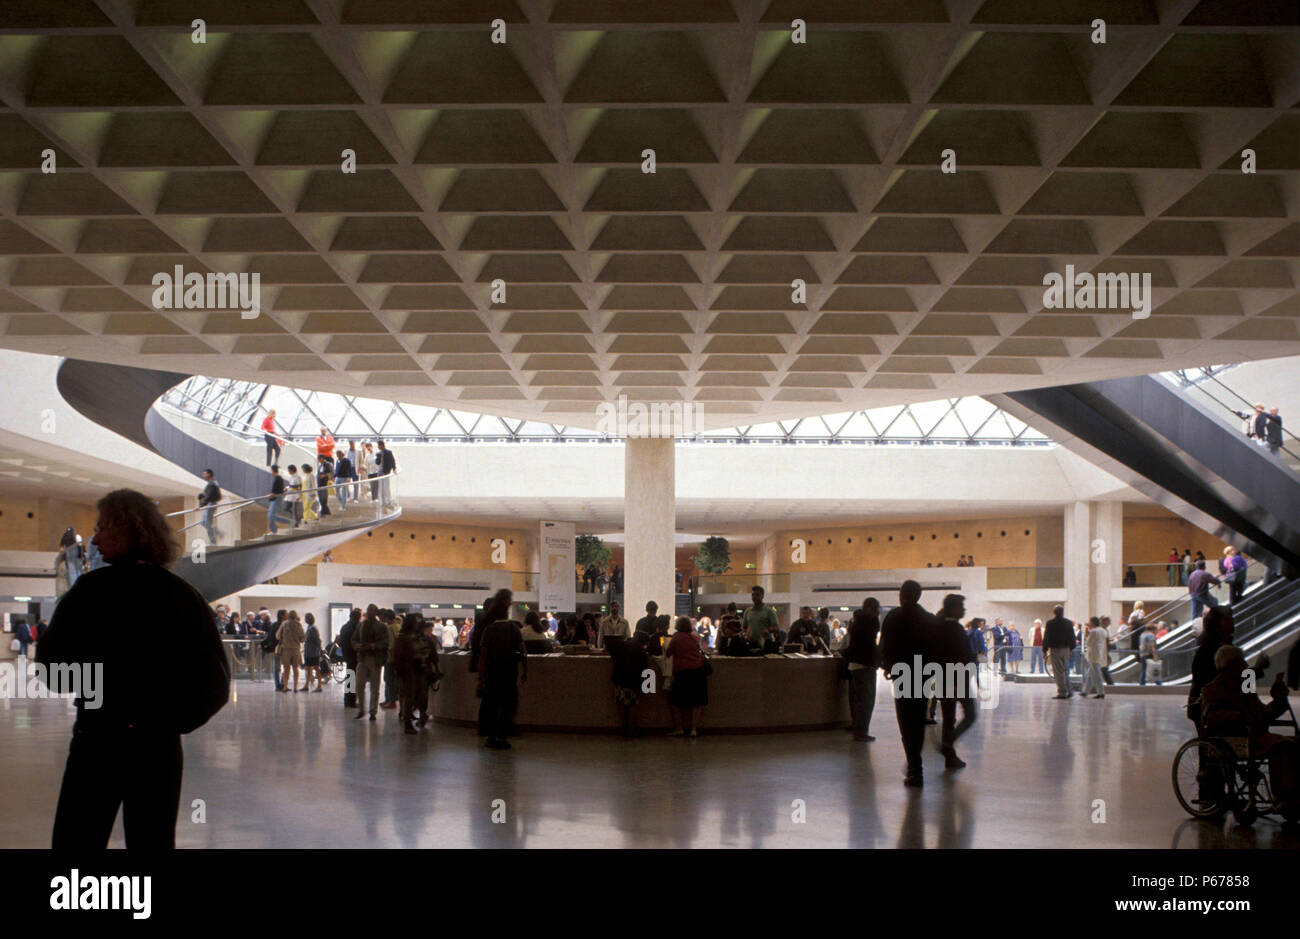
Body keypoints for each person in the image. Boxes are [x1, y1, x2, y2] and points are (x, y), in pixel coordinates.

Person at [35, 489, 229, 849]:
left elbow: (51, 669)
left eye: (102, 528)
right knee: (151, 840)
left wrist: (99, 687)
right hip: (157, 746)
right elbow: (214, 682)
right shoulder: (182, 596)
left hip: (97, 740)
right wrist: (171, 720)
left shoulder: (90, 591)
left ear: (129, 531)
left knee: (77, 838)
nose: (94, 538)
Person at [1200, 645, 1299, 810]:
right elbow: (1211, 715)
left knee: (1295, 744)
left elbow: (1261, 713)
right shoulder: (1214, 689)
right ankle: (1284, 796)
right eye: (1242, 662)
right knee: (1282, 747)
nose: (1246, 665)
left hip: (1254, 733)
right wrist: (1238, 717)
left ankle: (1293, 794)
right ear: (1230, 665)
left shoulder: (1245, 683)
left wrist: (1279, 701)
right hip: (1237, 737)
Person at [879, 581, 938, 787]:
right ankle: (916, 766)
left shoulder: (893, 617)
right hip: (922, 675)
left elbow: (884, 646)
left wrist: (887, 667)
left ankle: (915, 767)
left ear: (901, 595)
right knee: (918, 721)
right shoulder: (929, 619)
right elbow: (934, 649)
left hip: (902, 676)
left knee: (905, 722)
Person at [478, 595, 526, 750]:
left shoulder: (488, 630)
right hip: (509, 672)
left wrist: (480, 677)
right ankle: (503, 736)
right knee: (506, 705)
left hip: (492, 673)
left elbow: (483, 655)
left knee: (492, 705)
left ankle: (491, 737)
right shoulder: (514, 629)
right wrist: (525, 671)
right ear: (506, 613)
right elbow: (523, 651)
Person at [934, 594, 976, 769]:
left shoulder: (941, 627)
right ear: (952, 608)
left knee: (949, 718)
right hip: (956, 680)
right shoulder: (954, 629)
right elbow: (958, 656)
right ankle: (948, 744)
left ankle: (949, 755)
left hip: (945, 679)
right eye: (961, 606)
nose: (963, 609)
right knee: (970, 714)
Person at [1187, 606, 1234, 735]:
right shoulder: (1209, 650)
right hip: (1208, 707)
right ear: (1217, 625)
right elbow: (1207, 679)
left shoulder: (1225, 646)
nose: (1232, 621)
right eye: (1228, 619)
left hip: (1216, 705)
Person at [665, 616, 708, 737]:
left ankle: (679, 728)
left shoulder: (677, 637)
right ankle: (693, 729)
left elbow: (668, 653)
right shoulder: (694, 637)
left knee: (675, 701)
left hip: (683, 672)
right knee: (696, 702)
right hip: (698, 671)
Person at [845, 598, 880, 742]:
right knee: (867, 700)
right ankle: (861, 731)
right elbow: (870, 644)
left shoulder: (857, 621)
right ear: (871, 608)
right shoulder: (870, 621)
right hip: (865, 665)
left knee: (858, 699)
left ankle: (858, 727)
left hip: (855, 664)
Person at [611, 632, 652, 737]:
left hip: (619, 678)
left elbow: (613, 657)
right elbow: (644, 668)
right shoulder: (640, 650)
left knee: (621, 703)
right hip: (633, 681)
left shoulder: (622, 644)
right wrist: (647, 686)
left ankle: (623, 727)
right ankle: (630, 729)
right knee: (632, 705)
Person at [354, 604, 389, 721]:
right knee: (359, 685)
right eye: (368, 610)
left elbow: (385, 643)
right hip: (362, 658)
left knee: (375, 686)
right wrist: (357, 646)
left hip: (375, 659)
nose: (369, 613)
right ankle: (361, 709)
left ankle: (373, 711)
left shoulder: (382, 627)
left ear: (376, 613)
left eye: (371, 611)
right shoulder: (361, 625)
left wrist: (372, 646)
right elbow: (353, 639)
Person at [392, 613, 424, 735]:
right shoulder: (405, 638)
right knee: (408, 696)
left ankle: (408, 718)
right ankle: (407, 722)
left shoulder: (408, 637)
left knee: (410, 695)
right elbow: (401, 656)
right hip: (407, 670)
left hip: (411, 669)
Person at [1042, 604, 1076, 699]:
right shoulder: (1069, 623)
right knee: (1065, 670)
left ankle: (1062, 692)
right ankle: (1069, 690)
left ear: (1054, 612)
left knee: (1058, 672)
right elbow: (1072, 637)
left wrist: (1044, 650)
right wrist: (1071, 648)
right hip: (1066, 649)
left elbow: (1046, 637)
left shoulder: (1050, 623)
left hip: (1055, 649)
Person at [277, 610, 306, 693]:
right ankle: (295, 687)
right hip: (296, 650)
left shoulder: (284, 624)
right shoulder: (298, 625)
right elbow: (303, 638)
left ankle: (285, 686)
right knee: (295, 669)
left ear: (289, 616)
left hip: (285, 649)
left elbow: (278, 636)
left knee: (286, 669)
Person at [338, 608, 360, 709]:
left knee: (349, 677)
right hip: (355, 655)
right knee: (354, 678)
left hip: (347, 655)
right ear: (358, 618)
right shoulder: (357, 627)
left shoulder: (344, 627)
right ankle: (352, 701)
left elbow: (340, 642)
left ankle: (348, 700)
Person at [1082, 617, 1107, 699]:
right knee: (1090, 674)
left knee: (1096, 674)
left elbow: (1089, 643)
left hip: (1093, 655)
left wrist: (1086, 635)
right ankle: (1085, 691)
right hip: (1099, 654)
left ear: (1092, 623)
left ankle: (1101, 692)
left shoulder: (1093, 631)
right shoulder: (1103, 631)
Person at [197, 469, 221, 544]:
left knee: (207, 523)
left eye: (204, 474)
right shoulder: (212, 483)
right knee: (203, 522)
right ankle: (216, 532)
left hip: (211, 504)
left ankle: (212, 541)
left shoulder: (212, 484)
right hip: (210, 503)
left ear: (209, 474)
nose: (203, 475)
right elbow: (210, 495)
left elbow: (209, 496)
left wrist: (200, 505)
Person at [302, 612, 325, 692]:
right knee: (308, 668)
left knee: (316, 668)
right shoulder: (309, 627)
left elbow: (317, 640)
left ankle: (319, 686)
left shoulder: (313, 628)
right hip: (308, 652)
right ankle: (306, 685)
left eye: (306, 618)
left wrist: (321, 649)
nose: (305, 619)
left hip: (313, 652)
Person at [376, 439, 397, 510]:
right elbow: (377, 463)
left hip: (386, 472)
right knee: (381, 488)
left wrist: (394, 469)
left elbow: (392, 461)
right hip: (380, 472)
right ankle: (383, 503)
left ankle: (388, 502)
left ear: (382, 445)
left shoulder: (388, 452)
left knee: (386, 487)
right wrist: (378, 457)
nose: (378, 447)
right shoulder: (378, 453)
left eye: (379, 445)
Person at [266, 464, 286, 536]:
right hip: (274, 498)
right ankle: (292, 522)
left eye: (271, 470)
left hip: (276, 499)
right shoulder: (277, 478)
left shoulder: (278, 478)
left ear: (273, 470)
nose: (271, 472)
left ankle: (273, 530)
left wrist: (273, 494)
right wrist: (272, 494)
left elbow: (280, 490)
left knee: (271, 516)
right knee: (272, 516)